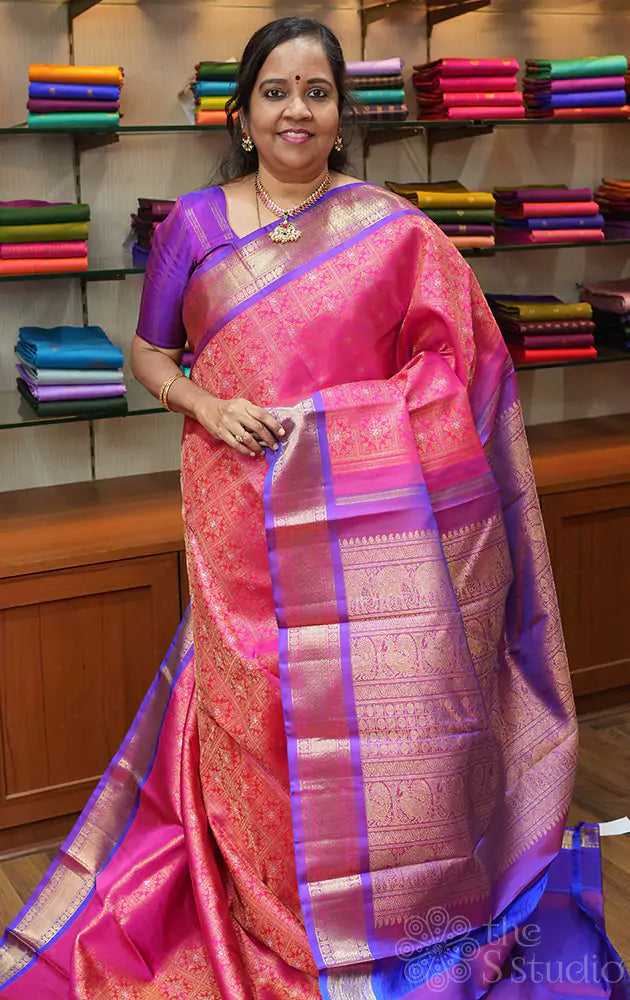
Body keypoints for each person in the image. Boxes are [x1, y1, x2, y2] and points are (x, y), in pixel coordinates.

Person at [0, 16, 627, 1000]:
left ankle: (389, 912)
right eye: (276, 91)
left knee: (386, 726)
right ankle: (276, 911)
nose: (297, 110)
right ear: (243, 112)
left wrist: (354, 427)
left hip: (376, 534)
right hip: (242, 520)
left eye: (318, 92)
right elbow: (150, 353)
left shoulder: (392, 229)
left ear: (343, 112)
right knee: (262, 719)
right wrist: (206, 403)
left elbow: (464, 363)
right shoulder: (193, 226)